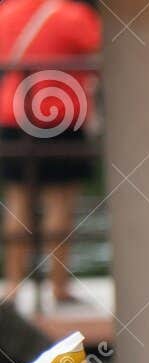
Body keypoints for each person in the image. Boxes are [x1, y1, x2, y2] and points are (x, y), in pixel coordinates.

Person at [0, 0, 101, 305]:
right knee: (60, 204)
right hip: (61, 116)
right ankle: (58, 287)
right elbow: (103, 56)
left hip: (13, 114)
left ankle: (14, 286)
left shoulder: (7, 12)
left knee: (18, 201)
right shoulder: (74, 16)